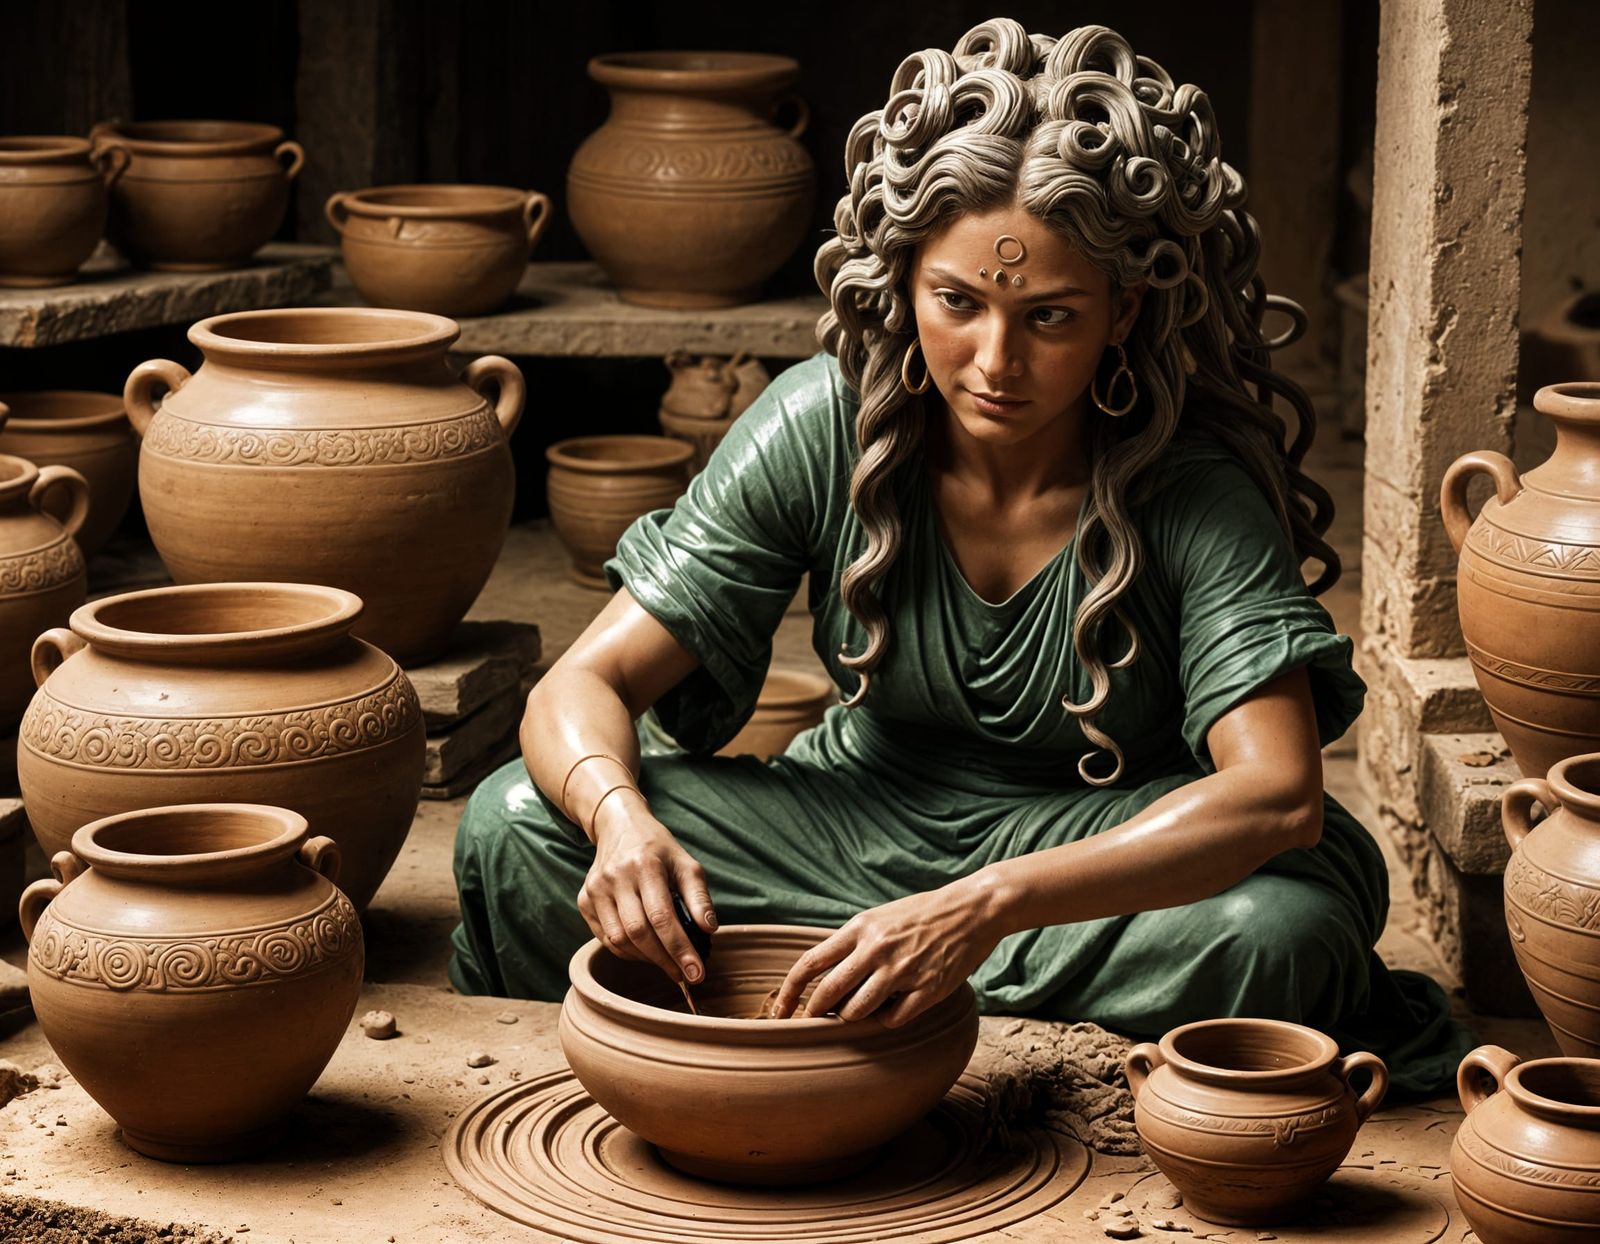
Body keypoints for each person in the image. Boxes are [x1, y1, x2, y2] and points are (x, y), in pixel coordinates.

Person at [451, 19, 1468, 1092]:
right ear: (901, 279)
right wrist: (620, 825)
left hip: (1095, 855)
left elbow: (1274, 795)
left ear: (1123, 311)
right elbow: (583, 682)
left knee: (1276, 935)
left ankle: (889, 1002)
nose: (996, 361)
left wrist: (984, 906)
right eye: (958, 302)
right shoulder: (820, 424)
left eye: (1051, 316)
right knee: (518, 822)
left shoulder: (1186, 483)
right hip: (847, 829)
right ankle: (913, 999)